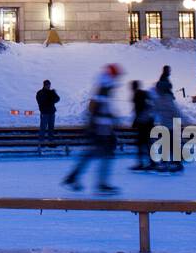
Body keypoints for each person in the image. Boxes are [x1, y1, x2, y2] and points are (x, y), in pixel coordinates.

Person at [62, 64, 122, 193]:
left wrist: (110, 118)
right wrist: (105, 121)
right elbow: (94, 107)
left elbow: (99, 108)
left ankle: (73, 177)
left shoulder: (104, 87)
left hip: (101, 128)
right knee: (104, 154)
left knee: (93, 153)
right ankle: (100, 183)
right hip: (100, 129)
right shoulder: (104, 88)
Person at [149, 78, 184, 173]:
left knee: (171, 145)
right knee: (166, 144)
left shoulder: (167, 99)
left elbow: (176, 112)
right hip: (165, 126)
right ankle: (167, 163)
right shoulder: (159, 99)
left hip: (172, 126)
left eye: (158, 89)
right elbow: (154, 109)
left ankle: (175, 163)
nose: (156, 90)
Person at [130, 80, 154, 170]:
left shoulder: (137, 95)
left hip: (143, 123)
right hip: (147, 122)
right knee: (145, 144)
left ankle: (143, 163)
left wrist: (135, 122)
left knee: (142, 143)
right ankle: (149, 162)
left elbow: (139, 110)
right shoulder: (142, 94)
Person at [36, 80, 60, 145]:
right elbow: (40, 101)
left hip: (51, 112)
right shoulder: (40, 92)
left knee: (51, 128)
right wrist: (50, 98)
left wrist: (53, 94)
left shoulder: (51, 92)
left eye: (49, 85)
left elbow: (58, 99)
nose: (48, 86)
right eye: (47, 85)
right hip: (44, 113)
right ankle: (41, 143)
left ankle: (50, 142)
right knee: (43, 128)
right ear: (44, 85)